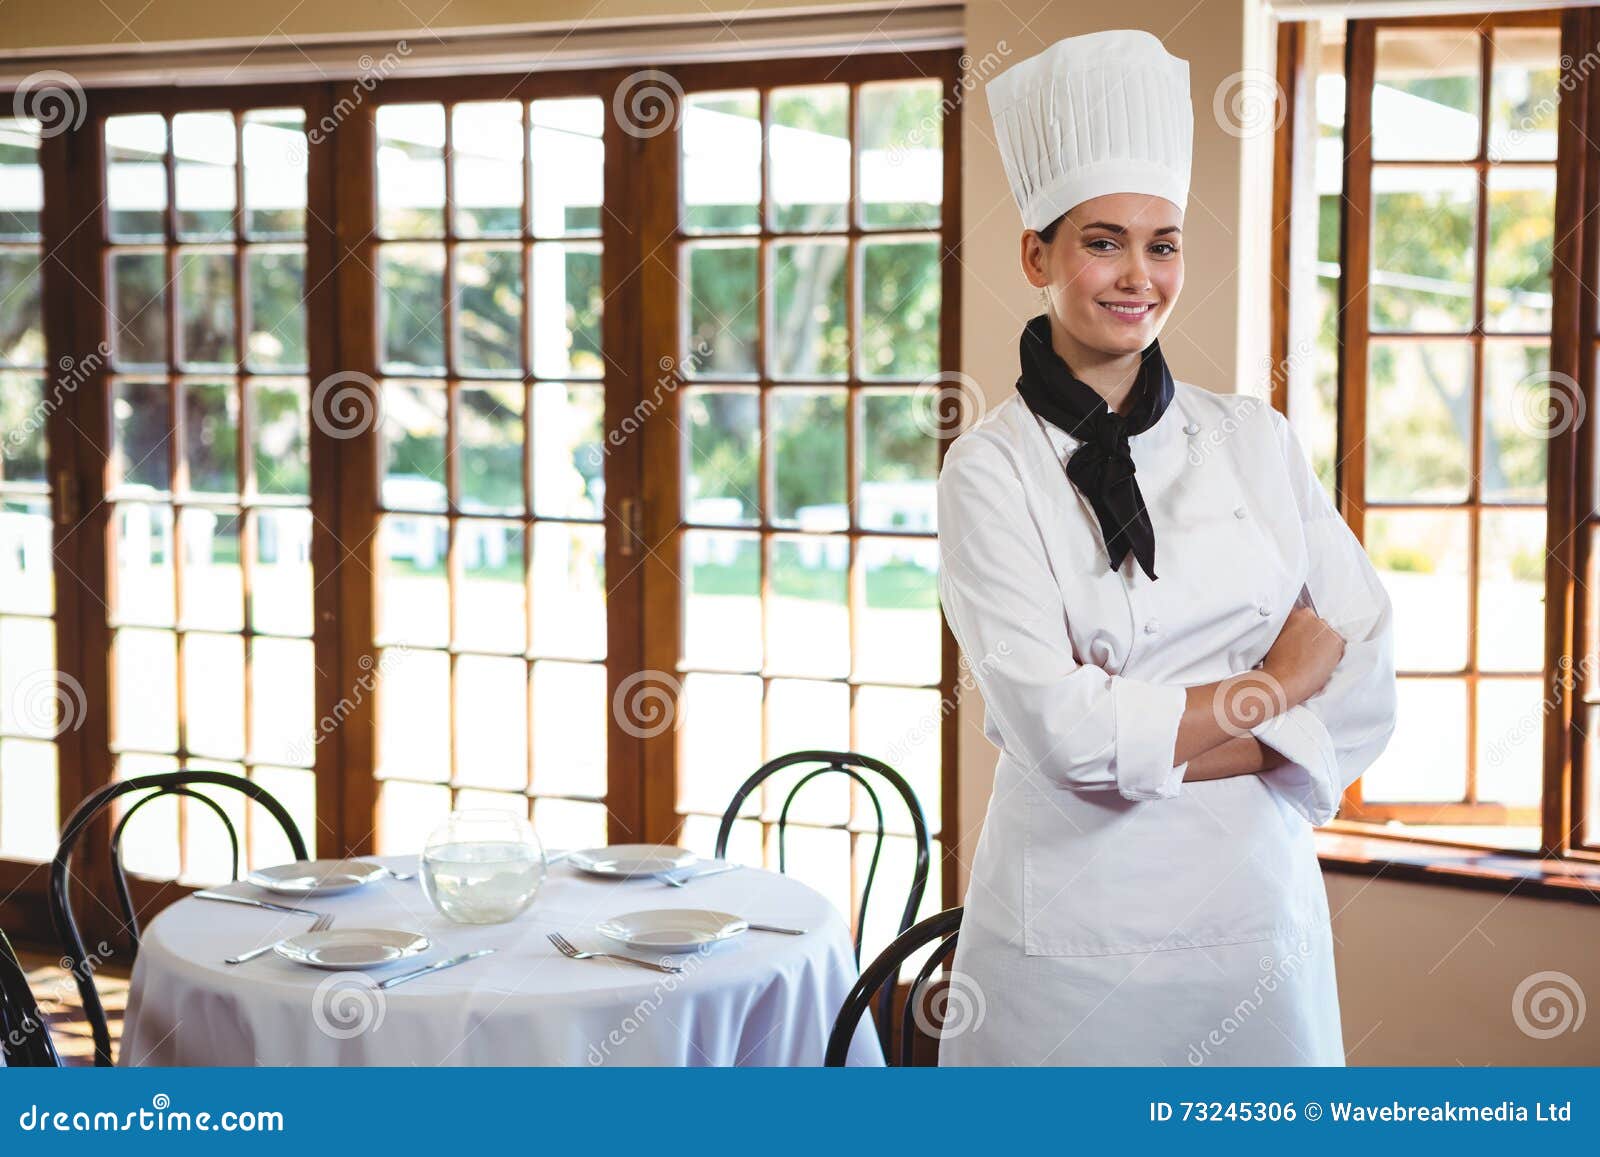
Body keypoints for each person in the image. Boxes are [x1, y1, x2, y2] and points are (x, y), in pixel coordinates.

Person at [936, 28, 1399, 1066]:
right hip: (1068, 946)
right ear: (1036, 255)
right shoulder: (989, 470)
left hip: (1252, 927)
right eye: (1102, 241)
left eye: (1163, 242)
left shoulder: (1254, 439)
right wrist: (1276, 689)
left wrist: (1146, 737)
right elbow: (1060, 734)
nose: (1137, 275)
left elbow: (1364, 675)